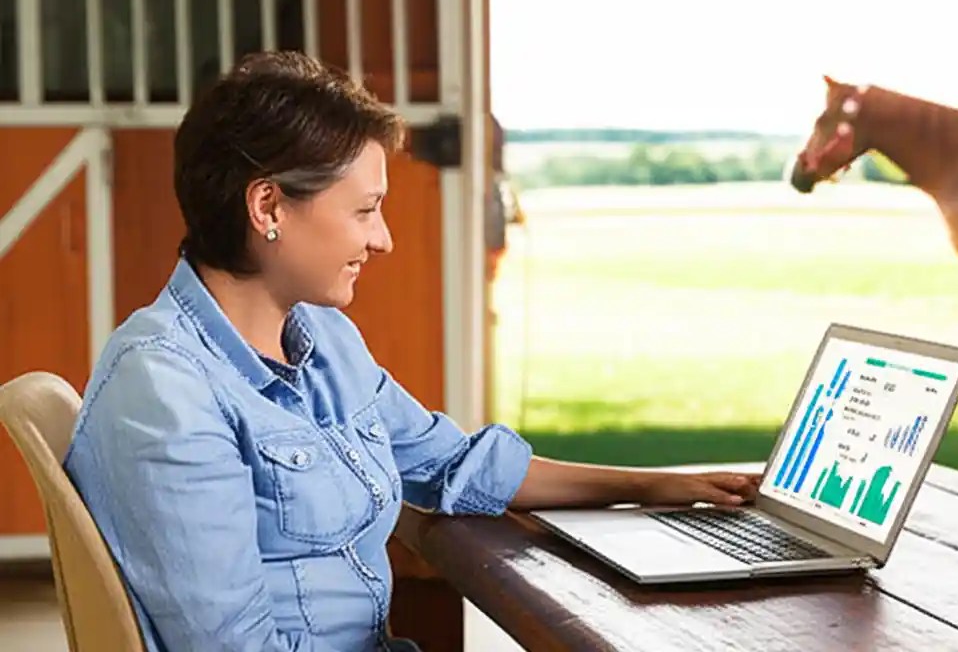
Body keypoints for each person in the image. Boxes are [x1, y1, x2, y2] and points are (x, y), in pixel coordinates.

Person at [63, 51, 761, 652]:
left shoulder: (323, 338)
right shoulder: (163, 391)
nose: (384, 239)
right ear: (269, 207)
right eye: (364, 210)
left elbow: (451, 463)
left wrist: (656, 487)